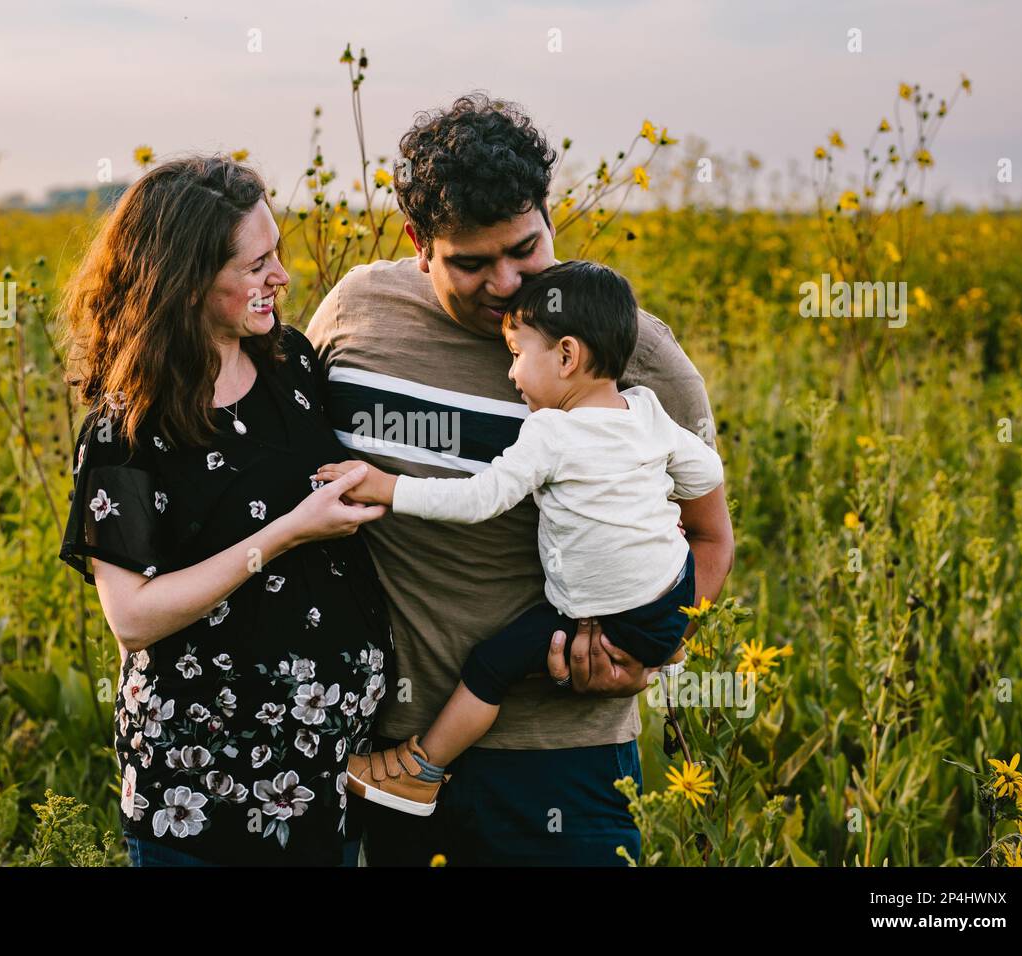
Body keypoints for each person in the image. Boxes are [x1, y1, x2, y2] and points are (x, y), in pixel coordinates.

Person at [305, 92, 734, 865]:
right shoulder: (356, 316)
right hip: (385, 749)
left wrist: (654, 647)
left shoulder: (636, 352)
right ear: (418, 242)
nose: (506, 282)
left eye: (526, 249)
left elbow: (710, 536)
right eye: (472, 262)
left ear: (550, 215)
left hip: (562, 754)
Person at [57, 154, 392, 866]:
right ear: (185, 284)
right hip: (204, 795)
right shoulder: (130, 430)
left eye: (278, 253)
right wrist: (288, 532)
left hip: (327, 777)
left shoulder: (290, 364)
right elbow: (134, 616)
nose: (282, 277)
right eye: (255, 264)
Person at [316, 260, 724, 815]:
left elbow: (478, 500)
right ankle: (670, 656)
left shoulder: (550, 432)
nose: (511, 374)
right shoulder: (646, 411)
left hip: (605, 622)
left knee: (491, 665)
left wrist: (387, 487)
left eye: (516, 354)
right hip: (671, 604)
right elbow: (706, 475)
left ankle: (421, 770)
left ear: (566, 356)